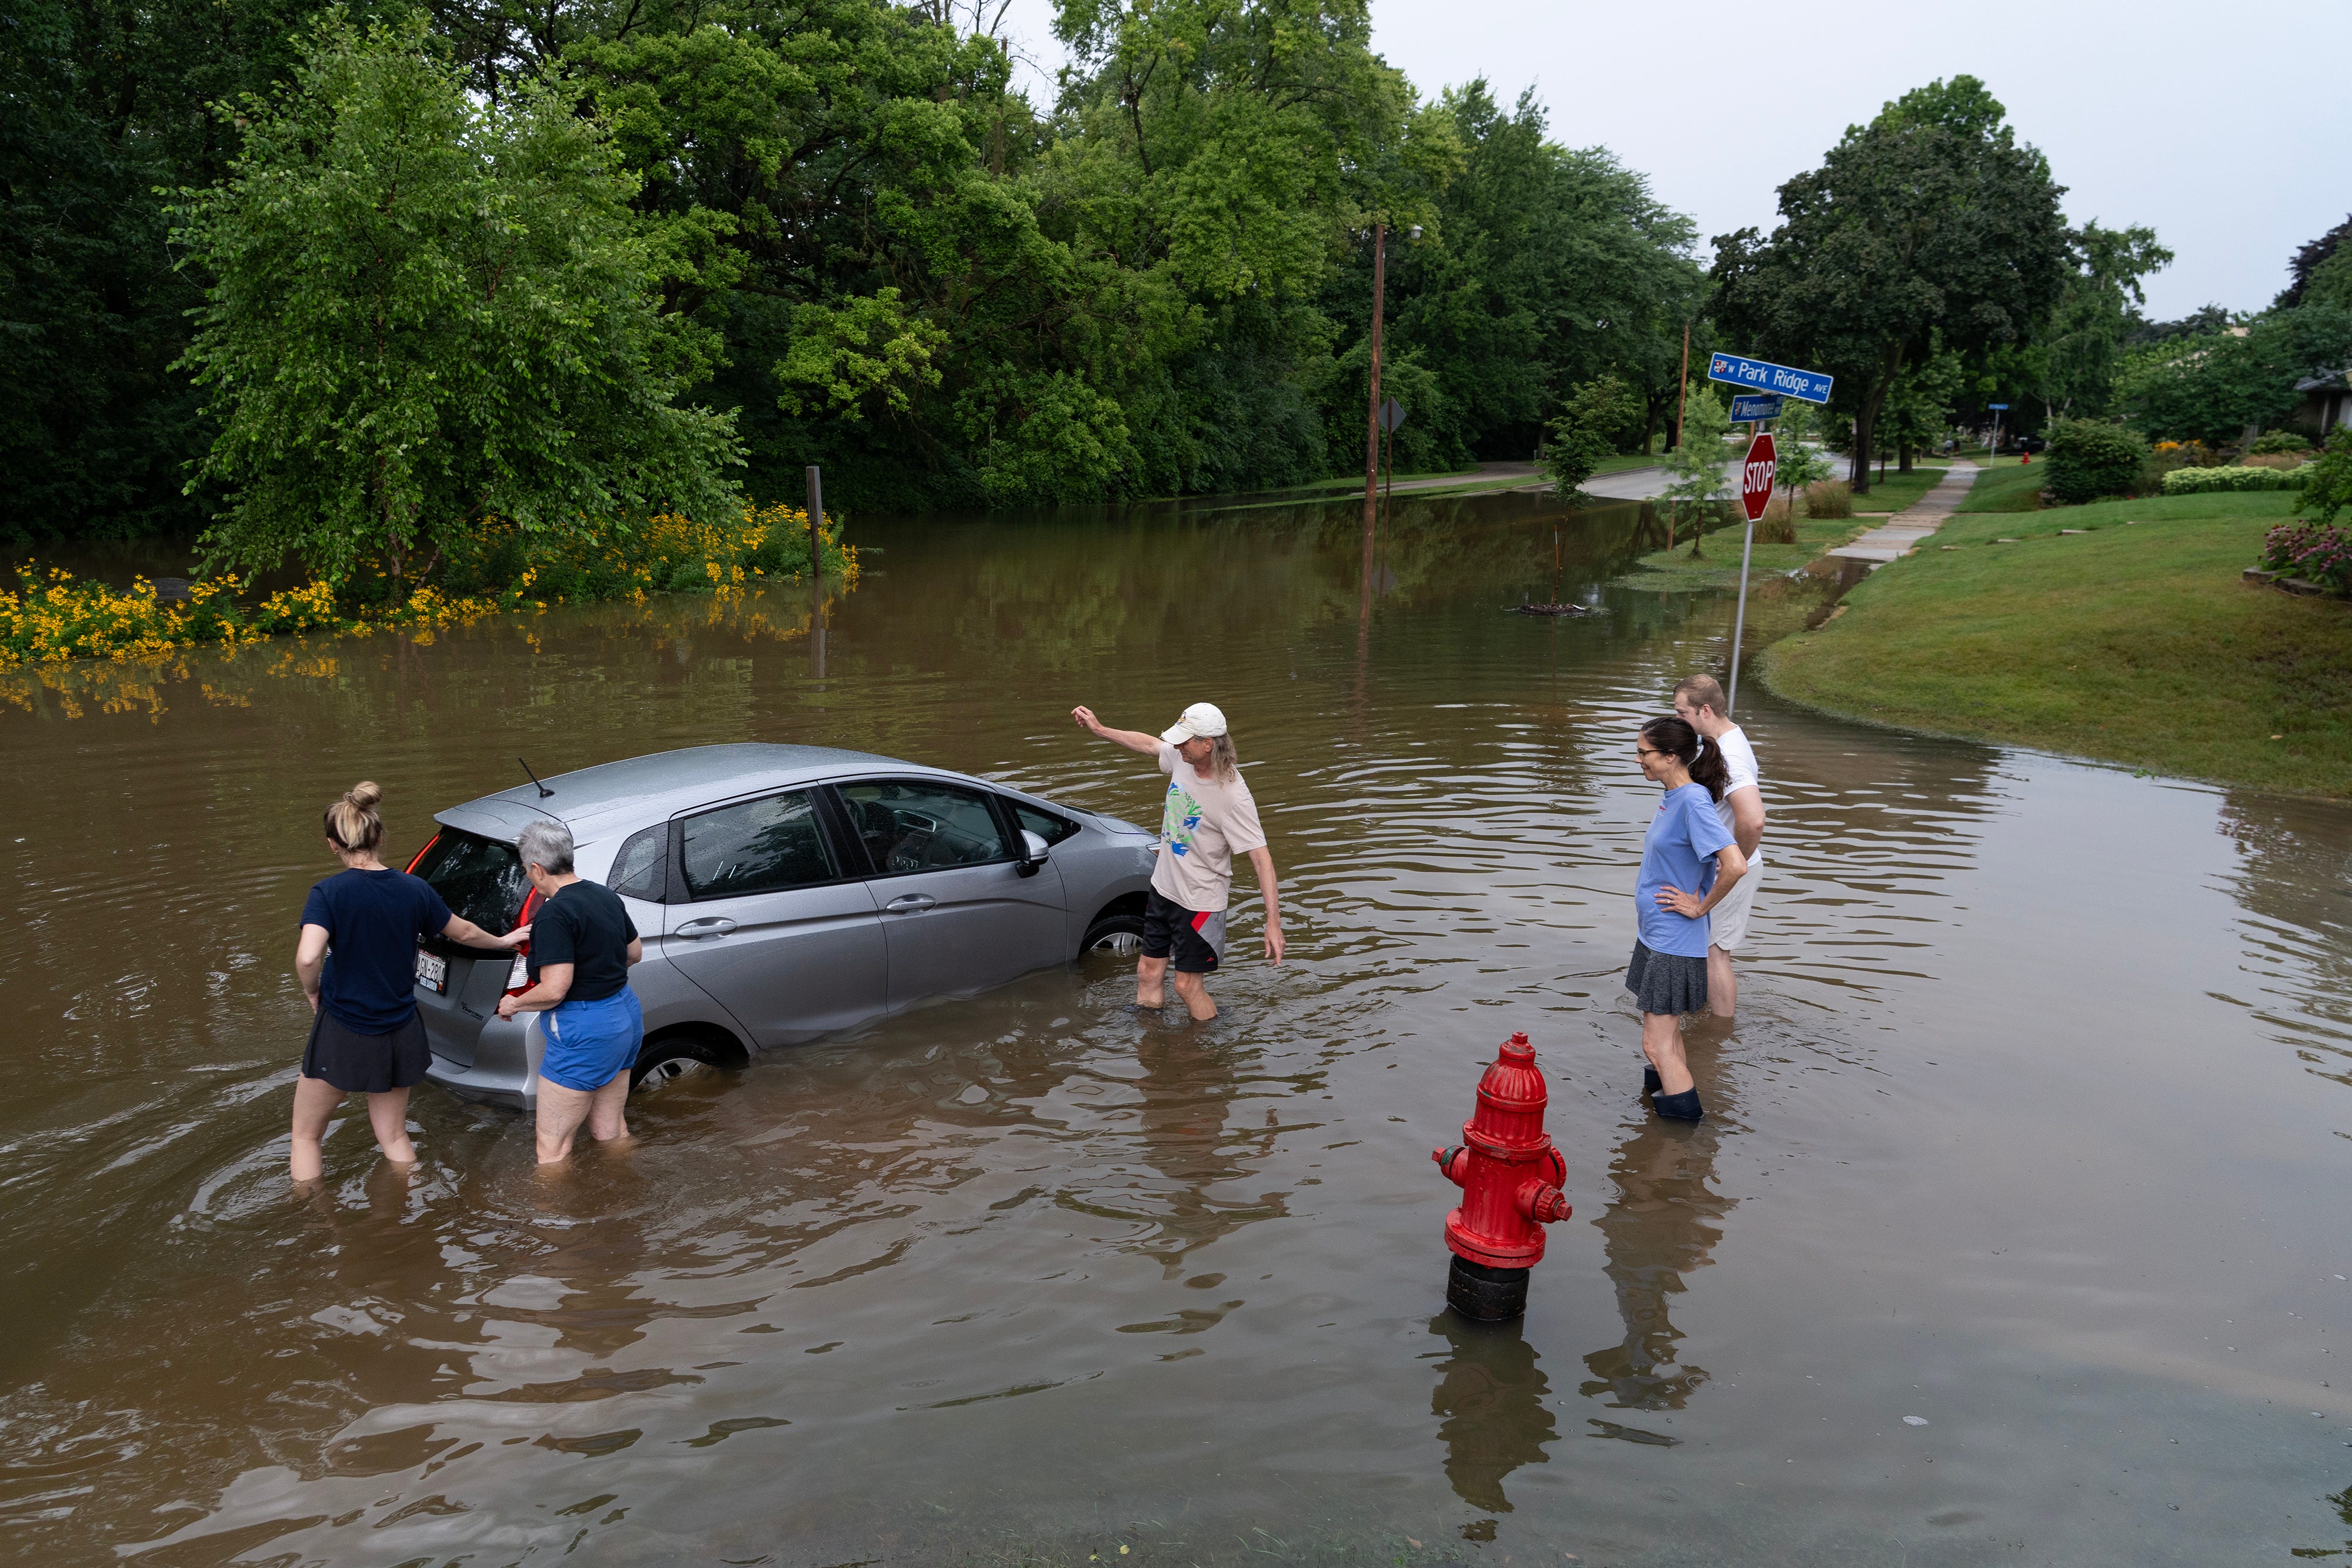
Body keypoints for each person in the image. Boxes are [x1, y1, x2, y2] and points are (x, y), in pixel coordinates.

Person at [292, 782, 529, 1181]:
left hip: (344, 1029)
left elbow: (307, 955)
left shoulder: (328, 893)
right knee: (394, 1135)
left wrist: (311, 989)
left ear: (333, 844)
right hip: (399, 1027)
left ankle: (311, 1226)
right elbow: (466, 933)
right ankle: (413, 1211)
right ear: (380, 837)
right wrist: (504, 940)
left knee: (306, 1136)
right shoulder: (414, 889)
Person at [1070, 700, 1284, 1020]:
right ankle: (1151, 1044)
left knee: (1186, 986)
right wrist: (1101, 731)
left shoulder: (1234, 797)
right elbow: (1149, 744)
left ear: (1208, 744)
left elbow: (1261, 859)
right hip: (1164, 888)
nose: (1177, 746)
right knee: (1147, 972)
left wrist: (1273, 924)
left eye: (1185, 740)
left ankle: (1207, 1048)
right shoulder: (1184, 758)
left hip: (1200, 902)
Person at [496, 820, 646, 1164]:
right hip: (624, 1015)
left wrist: (513, 1003)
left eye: (525, 870)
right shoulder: (603, 895)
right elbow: (633, 954)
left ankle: (550, 1217)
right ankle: (629, 1199)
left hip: (585, 1029)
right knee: (611, 1130)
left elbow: (554, 990)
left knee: (552, 1148)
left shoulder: (554, 913)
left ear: (536, 868)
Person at [1627, 716, 1747, 1122]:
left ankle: (1681, 1139)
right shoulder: (1673, 796)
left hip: (1674, 941)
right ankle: (1661, 1123)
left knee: (1655, 1044)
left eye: (1644, 752)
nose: (1638, 759)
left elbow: (1734, 864)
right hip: (1656, 935)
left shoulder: (1693, 801)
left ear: (1671, 756)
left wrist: (1699, 907)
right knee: (1667, 1038)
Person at [1672, 674, 1766, 1017]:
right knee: (1707, 948)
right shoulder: (1724, 740)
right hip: (1723, 865)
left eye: (1683, 713)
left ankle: (1720, 1035)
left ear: (1705, 710)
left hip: (1734, 868)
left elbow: (1753, 819)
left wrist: (1732, 864)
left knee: (1716, 952)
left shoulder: (1731, 756)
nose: (1678, 720)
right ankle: (1701, 1016)